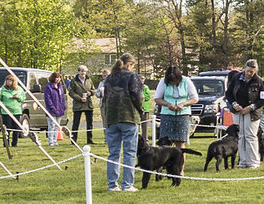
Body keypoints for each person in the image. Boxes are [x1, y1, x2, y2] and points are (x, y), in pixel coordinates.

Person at [100, 54, 144, 192]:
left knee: (113, 153)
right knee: (129, 152)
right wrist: (141, 110)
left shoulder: (109, 78)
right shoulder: (132, 76)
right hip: (128, 117)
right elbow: (138, 96)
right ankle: (127, 184)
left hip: (112, 118)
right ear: (130, 64)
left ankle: (112, 185)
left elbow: (105, 97)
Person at [229, 60, 264, 168]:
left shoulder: (259, 81)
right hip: (237, 111)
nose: (249, 74)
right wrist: (234, 104)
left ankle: (253, 162)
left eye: (252, 72)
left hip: (252, 113)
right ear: (244, 68)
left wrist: (251, 107)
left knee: (250, 136)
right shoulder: (236, 78)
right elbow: (228, 94)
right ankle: (243, 161)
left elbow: (263, 99)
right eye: (248, 71)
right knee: (240, 136)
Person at [154, 64, 197, 150]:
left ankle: (180, 163)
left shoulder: (186, 81)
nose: (173, 83)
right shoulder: (163, 81)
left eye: (175, 81)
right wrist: (167, 104)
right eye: (171, 82)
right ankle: (166, 163)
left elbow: (195, 99)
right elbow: (157, 98)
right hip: (167, 115)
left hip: (183, 115)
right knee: (165, 144)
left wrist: (183, 104)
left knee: (180, 143)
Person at [67, 64, 97, 144]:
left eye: (84, 71)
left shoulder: (89, 80)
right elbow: (71, 92)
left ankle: (89, 140)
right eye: (82, 71)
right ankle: (74, 140)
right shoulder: (74, 81)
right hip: (78, 105)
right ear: (78, 72)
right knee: (76, 123)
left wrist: (90, 92)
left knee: (89, 124)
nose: (83, 73)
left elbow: (93, 90)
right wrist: (79, 98)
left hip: (88, 105)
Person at [0, 74, 27, 148]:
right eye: (7, 80)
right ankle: (6, 143)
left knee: (15, 128)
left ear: (14, 82)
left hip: (16, 111)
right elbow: (0, 99)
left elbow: (23, 98)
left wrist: (18, 97)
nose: (8, 82)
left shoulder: (19, 89)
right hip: (6, 111)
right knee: (7, 128)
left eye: (10, 81)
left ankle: (14, 143)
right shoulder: (3, 89)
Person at [43, 71, 68, 146]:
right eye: (57, 77)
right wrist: (52, 107)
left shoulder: (60, 87)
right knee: (51, 126)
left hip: (59, 109)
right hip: (51, 110)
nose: (58, 79)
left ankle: (55, 140)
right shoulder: (48, 87)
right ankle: (50, 141)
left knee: (57, 126)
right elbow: (47, 99)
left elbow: (62, 98)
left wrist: (63, 107)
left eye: (59, 78)